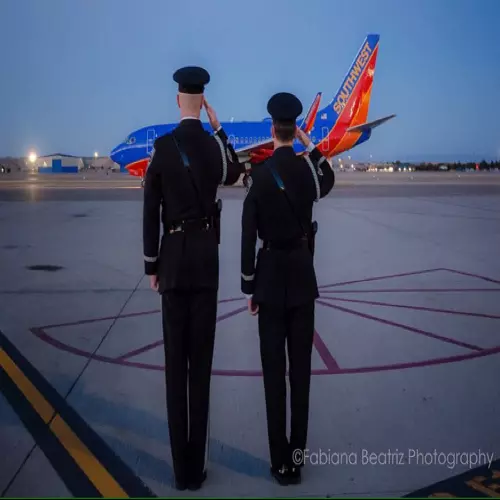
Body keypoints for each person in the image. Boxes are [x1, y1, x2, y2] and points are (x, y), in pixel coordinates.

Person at [143, 66, 246, 491]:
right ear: (202, 103)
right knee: (200, 369)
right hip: (206, 262)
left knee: (174, 370)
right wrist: (219, 129)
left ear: (176, 101)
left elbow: (150, 208)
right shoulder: (211, 147)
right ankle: (198, 470)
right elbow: (237, 172)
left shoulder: (162, 148)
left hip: (171, 263)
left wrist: (152, 266)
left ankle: (180, 471)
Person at [240, 92, 335, 485]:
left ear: (270, 129)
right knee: (301, 377)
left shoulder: (258, 179)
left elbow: (248, 235)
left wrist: (250, 287)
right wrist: (310, 144)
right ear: (293, 129)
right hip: (301, 282)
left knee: (273, 376)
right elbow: (328, 176)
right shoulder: (306, 174)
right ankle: (297, 460)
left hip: (268, 282)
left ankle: (279, 462)